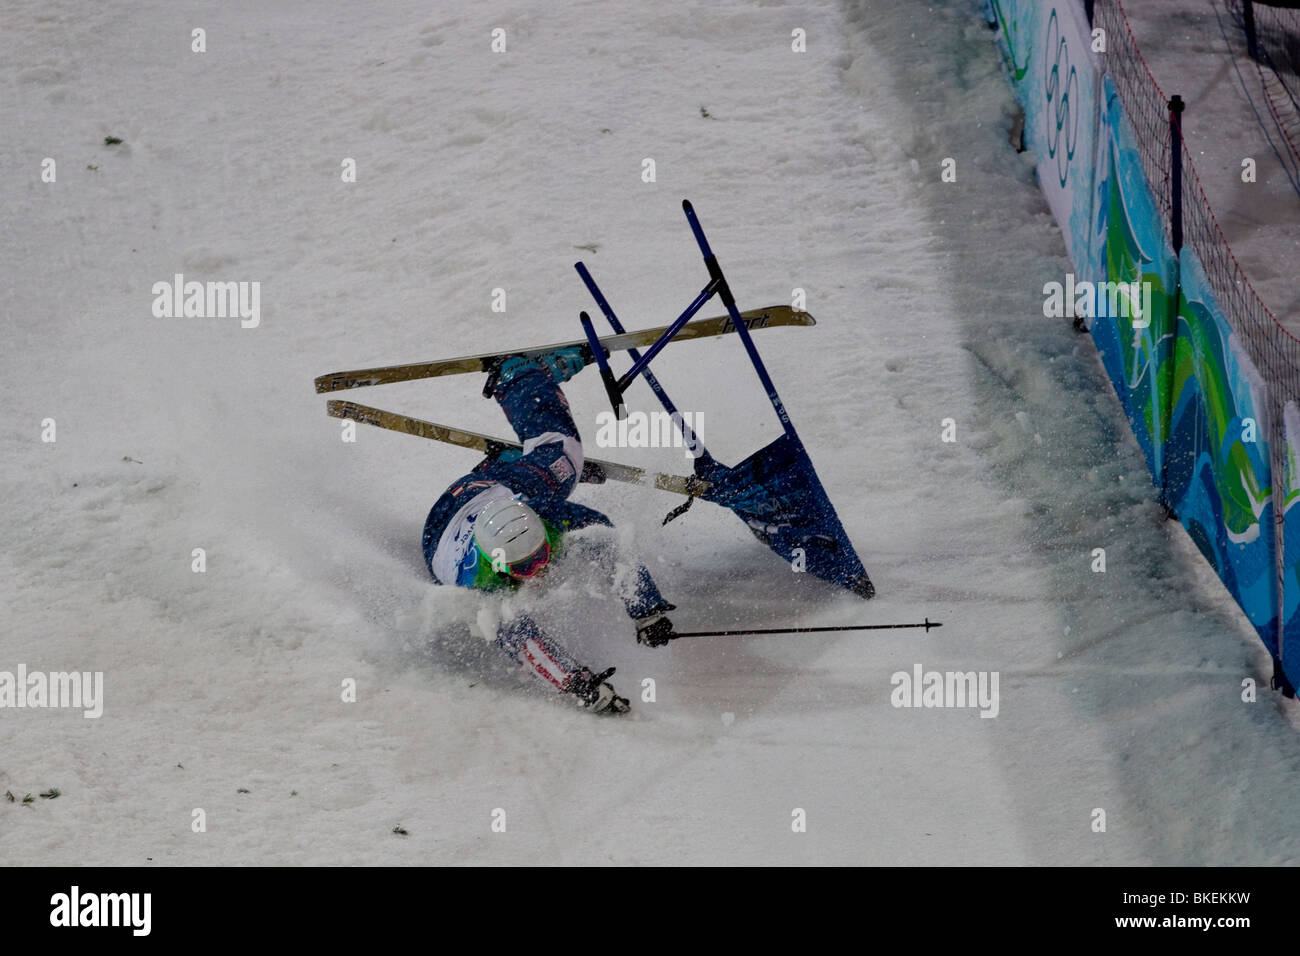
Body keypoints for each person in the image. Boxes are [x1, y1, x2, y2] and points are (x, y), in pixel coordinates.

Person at [421, 347, 676, 715]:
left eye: (542, 554)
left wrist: (646, 608)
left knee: (565, 456)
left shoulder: (541, 514)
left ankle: (519, 385)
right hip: (439, 533)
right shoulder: (482, 586)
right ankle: (514, 412)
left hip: (489, 492)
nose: (540, 569)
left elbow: (603, 535)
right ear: (501, 566)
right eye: (526, 568)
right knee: (507, 618)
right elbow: (527, 644)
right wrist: (582, 686)